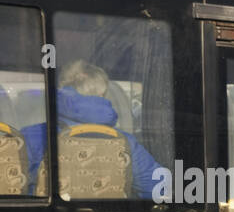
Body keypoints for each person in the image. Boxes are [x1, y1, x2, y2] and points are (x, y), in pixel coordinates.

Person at [20, 60, 163, 198]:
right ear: (102, 95)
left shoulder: (32, 136)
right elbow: (157, 188)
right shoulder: (125, 142)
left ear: (62, 91)